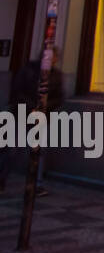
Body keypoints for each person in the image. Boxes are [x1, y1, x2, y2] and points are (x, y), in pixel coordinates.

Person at [0, 58, 63, 196]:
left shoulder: (56, 75)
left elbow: (59, 96)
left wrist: (44, 107)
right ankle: (1, 178)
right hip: (21, 114)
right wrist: (31, 106)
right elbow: (18, 91)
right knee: (12, 148)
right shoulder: (29, 70)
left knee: (39, 151)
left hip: (41, 117)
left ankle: (37, 184)